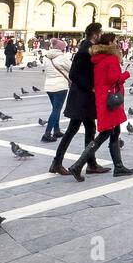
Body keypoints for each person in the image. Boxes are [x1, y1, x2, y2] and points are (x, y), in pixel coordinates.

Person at [67, 33, 133, 179]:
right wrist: (127, 73)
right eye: (115, 41)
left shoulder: (98, 58)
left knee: (115, 132)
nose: (117, 43)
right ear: (110, 43)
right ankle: (78, 165)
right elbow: (114, 79)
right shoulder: (111, 59)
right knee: (105, 134)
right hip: (110, 101)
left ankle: (119, 166)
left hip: (104, 98)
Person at [51, 22, 110, 177]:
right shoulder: (85, 51)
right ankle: (62, 163)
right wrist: (90, 87)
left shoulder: (87, 48)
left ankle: (88, 163)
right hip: (82, 98)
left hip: (83, 98)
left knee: (85, 129)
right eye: (100, 32)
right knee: (75, 130)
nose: (101, 35)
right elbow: (74, 74)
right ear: (95, 34)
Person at [41, 49, 70, 142]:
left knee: (55, 109)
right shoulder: (62, 58)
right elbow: (72, 68)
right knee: (56, 110)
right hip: (60, 86)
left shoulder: (46, 58)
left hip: (49, 86)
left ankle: (56, 130)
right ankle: (47, 134)